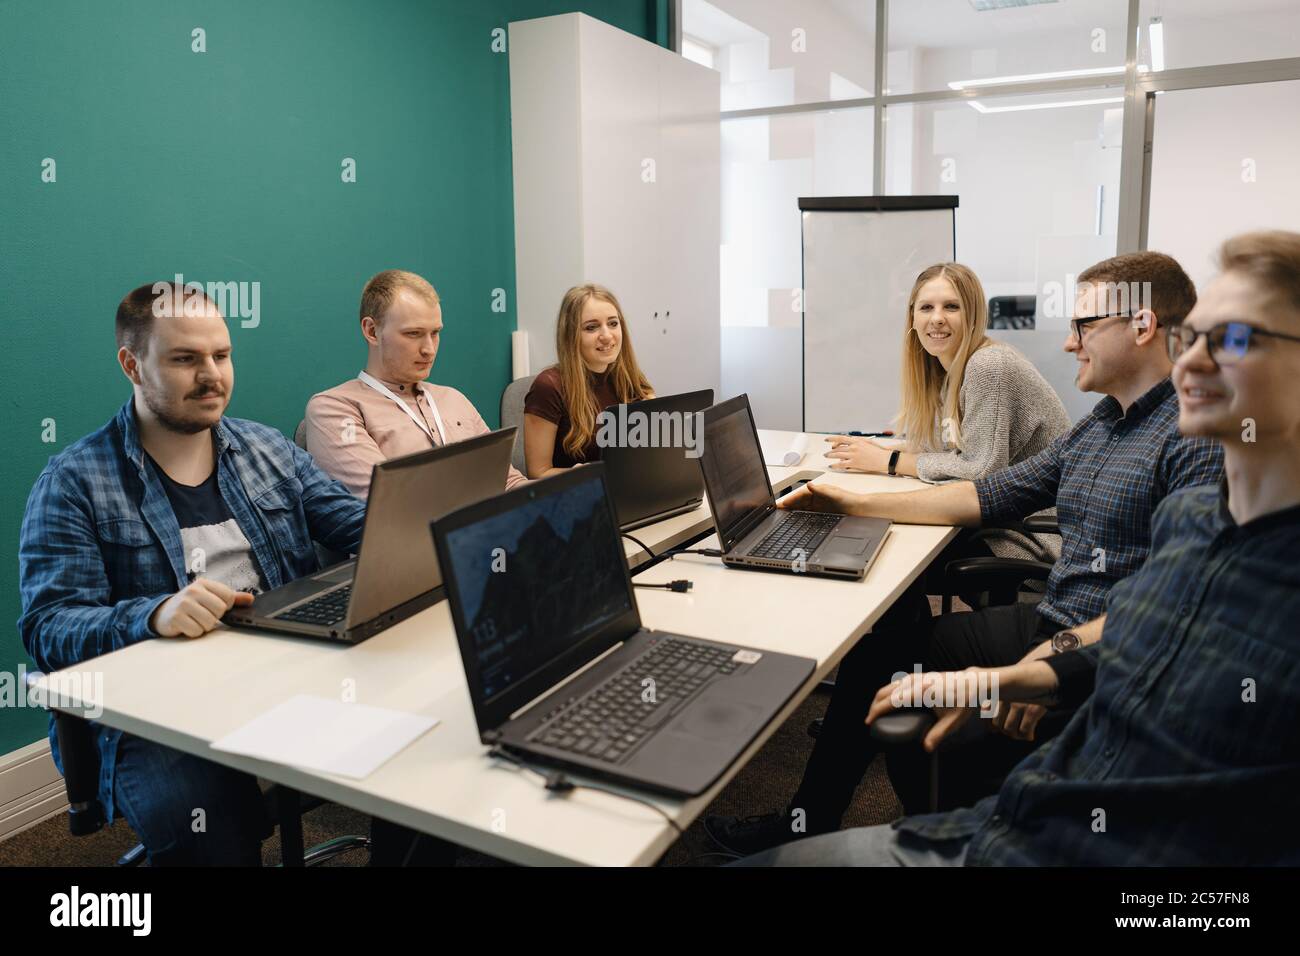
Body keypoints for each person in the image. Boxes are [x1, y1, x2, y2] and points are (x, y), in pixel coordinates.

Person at [738, 230, 1300, 866]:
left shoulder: (1195, 456)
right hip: (1057, 656)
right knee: (890, 651)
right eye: (1193, 336)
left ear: (1141, 325)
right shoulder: (1113, 433)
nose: (1191, 360)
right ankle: (850, 814)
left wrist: (1040, 674)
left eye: (1225, 340)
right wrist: (849, 500)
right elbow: (987, 495)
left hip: (1071, 724)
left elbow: (1149, 632)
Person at [19, 282, 367, 865]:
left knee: (428, 746)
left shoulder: (266, 448)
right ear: (132, 364)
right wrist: (152, 614)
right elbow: (49, 629)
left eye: (221, 355)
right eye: (185, 359)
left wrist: (428, 526)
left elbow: (358, 525)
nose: (212, 375)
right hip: (152, 715)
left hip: (286, 667)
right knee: (209, 828)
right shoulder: (75, 482)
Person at [826, 262, 1071, 564]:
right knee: (883, 537)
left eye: (952, 307)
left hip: (1026, 536)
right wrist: (886, 450)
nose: (937, 318)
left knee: (890, 549)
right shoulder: (949, 368)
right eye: (926, 307)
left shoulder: (988, 366)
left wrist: (890, 461)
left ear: (973, 315)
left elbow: (982, 475)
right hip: (996, 521)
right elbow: (954, 446)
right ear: (912, 318)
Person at [305, 269, 527, 499]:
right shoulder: (335, 408)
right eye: (413, 333)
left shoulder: (453, 399)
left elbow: (507, 481)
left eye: (435, 333)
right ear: (372, 331)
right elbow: (390, 502)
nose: (429, 349)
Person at [522, 283, 653, 478]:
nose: (607, 336)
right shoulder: (548, 387)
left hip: (629, 491)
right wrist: (585, 475)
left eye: (613, 323)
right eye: (591, 328)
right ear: (571, 335)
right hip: (577, 497)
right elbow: (538, 473)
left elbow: (650, 447)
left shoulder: (629, 377)